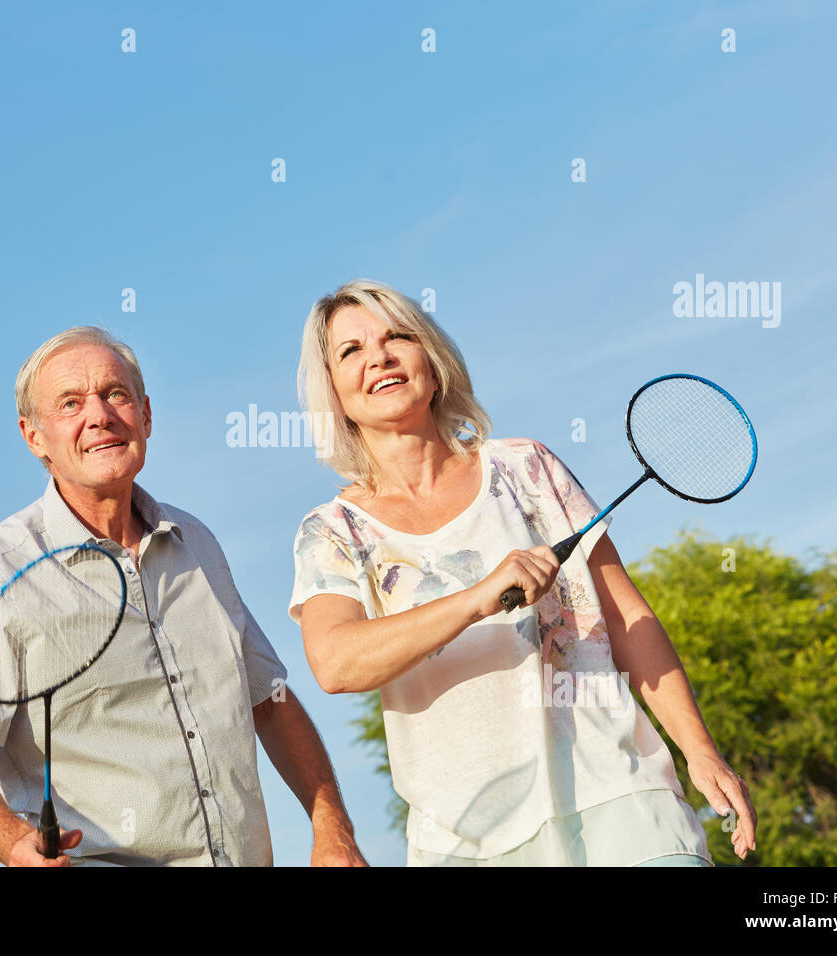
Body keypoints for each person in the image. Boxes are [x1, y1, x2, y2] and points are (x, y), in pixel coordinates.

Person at [288, 279, 757, 866]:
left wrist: (700, 750)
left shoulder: (526, 467)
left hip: (620, 796)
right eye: (349, 351)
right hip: (467, 841)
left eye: (396, 336)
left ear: (432, 364)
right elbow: (335, 662)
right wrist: (476, 599)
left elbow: (628, 615)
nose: (378, 356)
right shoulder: (333, 531)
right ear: (332, 392)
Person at [0, 326, 366, 867]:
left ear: (145, 416)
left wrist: (332, 829)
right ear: (33, 437)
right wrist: (15, 845)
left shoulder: (196, 543)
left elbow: (270, 705)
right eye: (69, 404)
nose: (100, 415)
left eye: (115, 394)